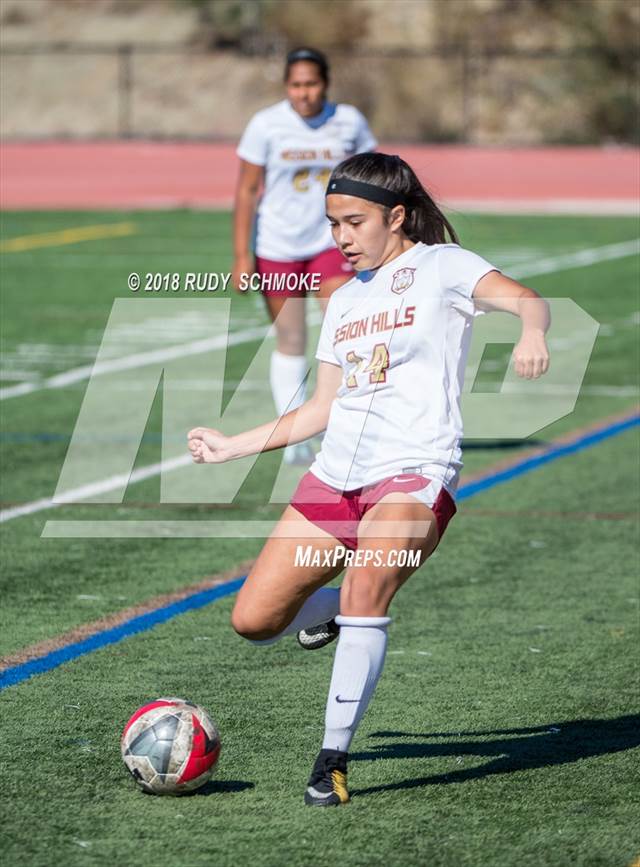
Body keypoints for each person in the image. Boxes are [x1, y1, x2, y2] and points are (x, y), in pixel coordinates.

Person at [190, 153, 550, 806]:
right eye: (333, 224)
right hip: (336, 479)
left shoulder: (443, 267)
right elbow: (322, 407)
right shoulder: (346, 301)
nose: (341, 238)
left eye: (354, 222)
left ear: (397, 216)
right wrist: (232, 445)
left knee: (365, 587)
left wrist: (531, 332)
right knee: (253, 618)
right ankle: (325, 614)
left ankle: (331, 757)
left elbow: (527, 299)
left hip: (413, 475)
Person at [232, 47, 377, 463]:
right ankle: (292, 433)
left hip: (331, 244)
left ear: (325, 84)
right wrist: (242, 255)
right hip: (277, 246)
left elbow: (371, 174)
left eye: (311, 84)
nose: (304, 93)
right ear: (286, 86)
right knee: (291, 336)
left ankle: (351, 423)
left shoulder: (348, 121)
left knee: (348, 329)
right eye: (296, 85)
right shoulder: (265, 125)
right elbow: (246, 190)